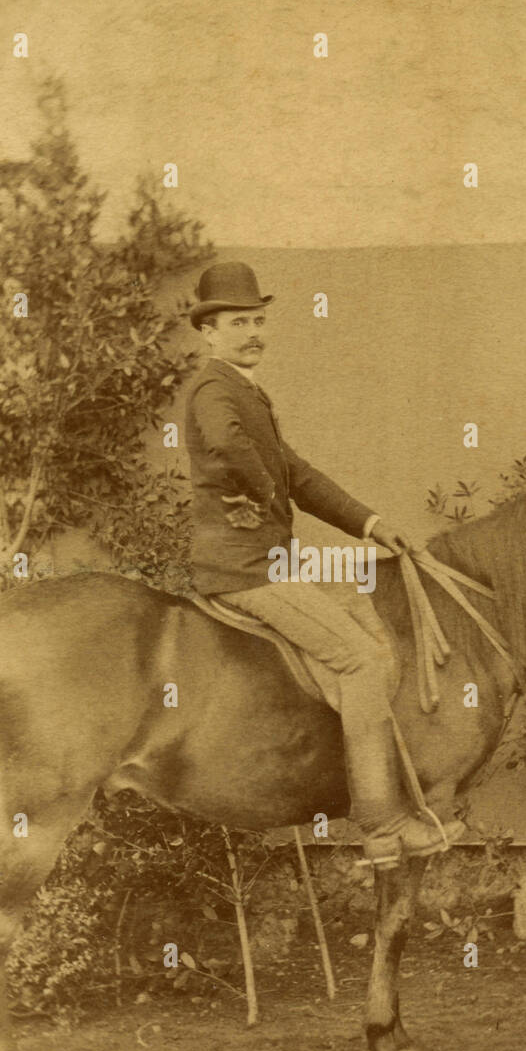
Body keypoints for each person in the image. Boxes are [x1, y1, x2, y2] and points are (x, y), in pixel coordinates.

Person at [183, 260, 444, 868]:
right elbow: (224, 443)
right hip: (243, 570)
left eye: (258, 320)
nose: (252, 332)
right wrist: (265, 489)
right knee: (355, 660)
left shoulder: (252, 393)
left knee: (368, 626)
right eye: (237, 322)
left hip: (269, 560)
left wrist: (373, 525)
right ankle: (380, 825)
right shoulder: (212, 388)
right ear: (209, 332)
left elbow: (299, 475)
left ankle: (384, 790)